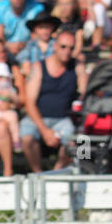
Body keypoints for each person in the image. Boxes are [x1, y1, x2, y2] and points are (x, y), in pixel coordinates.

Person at [22, 28, 84, 172]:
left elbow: (84, 95)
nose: (67, 51)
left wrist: (81, 72)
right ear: (54, 46)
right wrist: (45, 130)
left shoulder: (77, 67)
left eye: (71, 48)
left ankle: (57, 174)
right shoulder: (39, 67)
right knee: (26, 138)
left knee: (81, 140)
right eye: (63, 46)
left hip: (64, 119)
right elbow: (29, 103)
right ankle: (38, 176)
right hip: (38, 118)